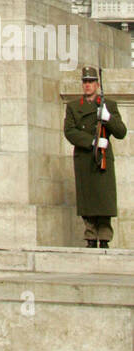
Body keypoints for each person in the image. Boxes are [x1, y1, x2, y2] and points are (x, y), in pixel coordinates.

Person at [64, 66, 127, 247]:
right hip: (85, 157)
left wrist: (108, 118)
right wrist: (92, 141)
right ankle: (90, 236)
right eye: (85, 82)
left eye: (91, 81)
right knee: (88, 198)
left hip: (103, 158)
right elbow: (69, 131)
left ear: (97, 85)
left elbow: (121, 132)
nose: (88, 85)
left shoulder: (109, 105)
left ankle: (105, 237)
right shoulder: (74, 106)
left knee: (104, 198)